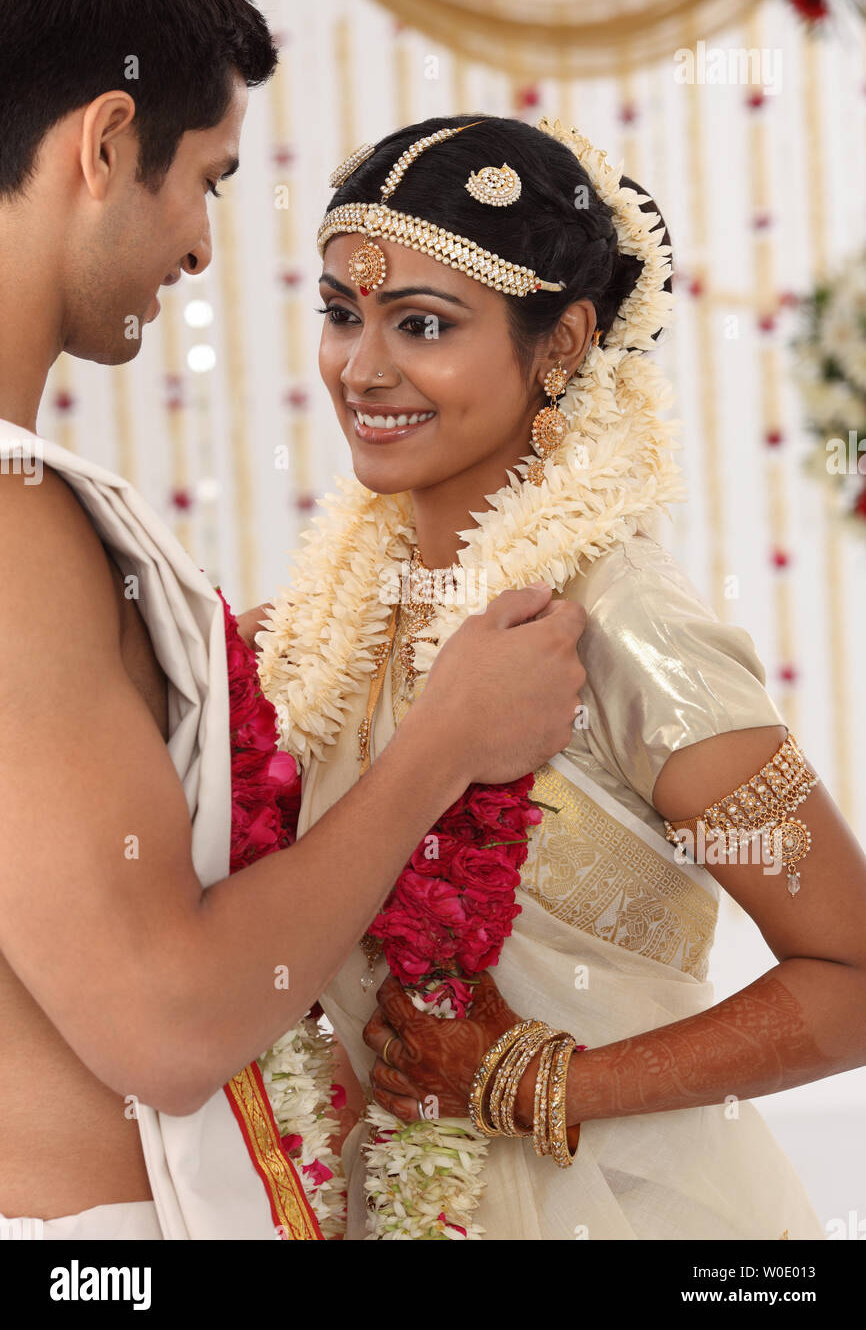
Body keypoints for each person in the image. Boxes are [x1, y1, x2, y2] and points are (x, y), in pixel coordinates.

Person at [0, 0, 588, 1241]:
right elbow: (164, 1021)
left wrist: (219, 688)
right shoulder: (14, 517)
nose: (202, 248)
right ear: (105, 145)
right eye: (205, 180)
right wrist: (442, 742)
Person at [255, 112, 866, 1240]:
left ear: (564, 342)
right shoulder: (323, 631)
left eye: (421, 323)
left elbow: (850, 967)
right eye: (341, 315)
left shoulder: (620, 624)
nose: (363, 366)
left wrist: (534, 1085)